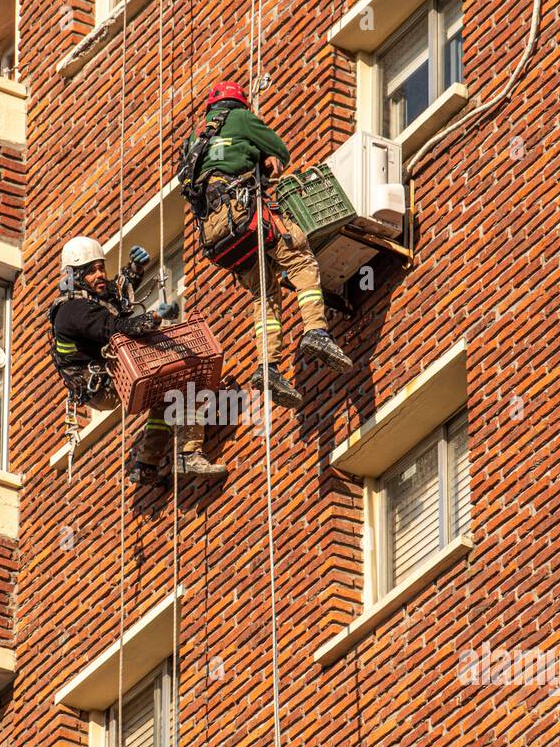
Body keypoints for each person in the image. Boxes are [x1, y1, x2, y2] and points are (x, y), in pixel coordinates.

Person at [181, 80, 352, 409]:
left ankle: (267, 365)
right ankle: (316, 329)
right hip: (244, 215)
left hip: (217, 235)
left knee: (265, 291)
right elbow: (280, 148)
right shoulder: (241, 119)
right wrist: (268, 156)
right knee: (300, 258)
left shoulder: (194, 140)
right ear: (239, 104)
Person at [49, 236, 226, 483]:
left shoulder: (90, 296)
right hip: (102, 385)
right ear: (74, 277)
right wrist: (149, 319)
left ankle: (146, 464)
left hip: (105, 378)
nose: (100, 275)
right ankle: (189, 454)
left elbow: (115, 292)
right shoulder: (72, 311)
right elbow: (114, 328)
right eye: (91, 272)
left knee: (165, 395)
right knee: (186, 383)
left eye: (101, 268)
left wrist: (134, 270)